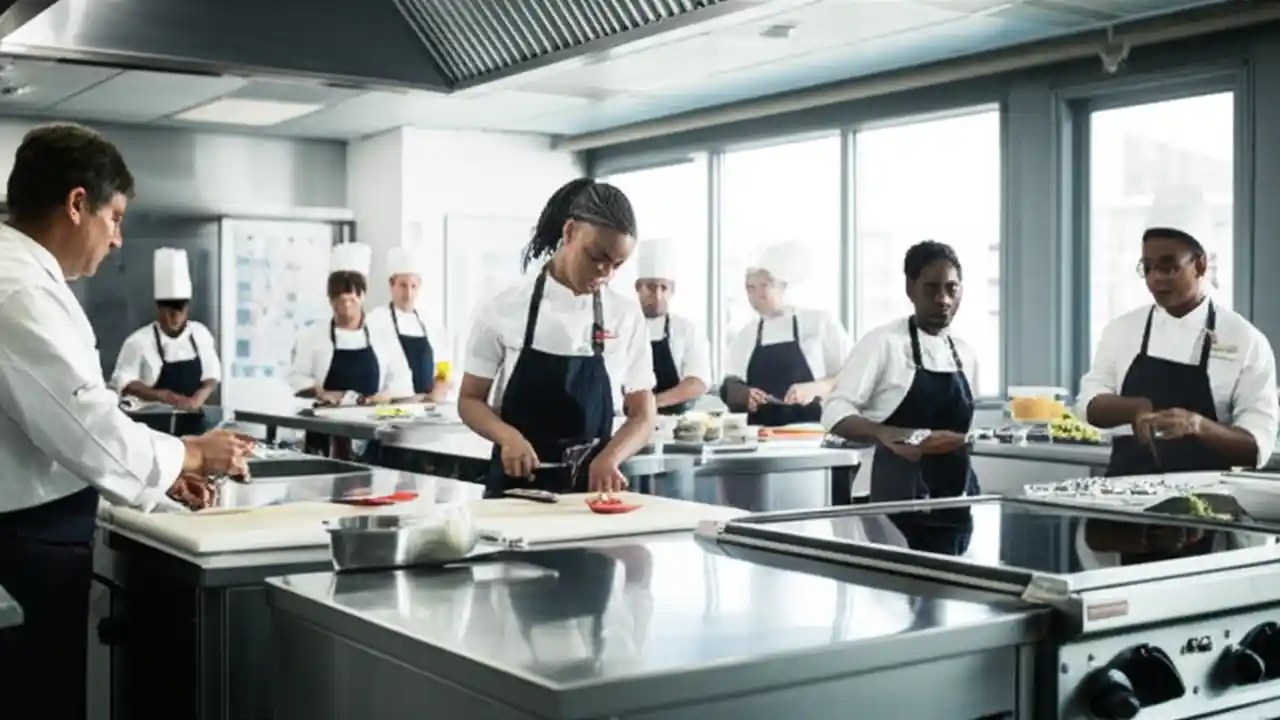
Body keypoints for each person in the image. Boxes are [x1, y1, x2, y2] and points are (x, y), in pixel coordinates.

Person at [0, 123, 249, 719]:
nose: (117, 240)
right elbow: (83, 421)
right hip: (23, 544)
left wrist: (158, 479)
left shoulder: (26, 274)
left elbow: (66, 422)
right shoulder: (18, 290)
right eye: (115, 218)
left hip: (41, 528)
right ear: (77, 204)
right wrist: (189, 455)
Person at [457, 178, 656, 497]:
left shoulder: (625, 315)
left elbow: (643, 415)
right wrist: (507, 437)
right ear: (570, 232)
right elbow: (469, 400)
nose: (605, 273)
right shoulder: (503, 307)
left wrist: (611, 457)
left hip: (591, 496)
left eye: (617, 264)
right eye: (596, 257)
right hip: (515, 492)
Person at [1078, 226, 1278, 476]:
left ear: (1201, 265)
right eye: (1148, 267)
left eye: (1167, 267)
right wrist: (1135, 409)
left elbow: (1256, 448)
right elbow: (1088, 404)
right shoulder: (1121, 330)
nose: (1155, 278)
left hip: (1205, 505)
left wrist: (1198, 426)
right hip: (1123, 498)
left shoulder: (1245, 340)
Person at [824, 241, 980, 502]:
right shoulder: (883, 343)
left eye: (951, 288)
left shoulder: (966, 354)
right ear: (911, 288)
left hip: (957, 499)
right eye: (931, 288)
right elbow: (833, 410)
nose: (943, 299)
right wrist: (882, 433)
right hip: (888, 495)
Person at [721, 241, 851, 426]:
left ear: (783, 286)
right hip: (760, 437)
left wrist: (816, 388)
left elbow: (851, 376)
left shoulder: (819, 322)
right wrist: (744, 395)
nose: (756, 294)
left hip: (811, 434)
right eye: (750, 287)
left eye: (763, 285)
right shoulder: (746, 334)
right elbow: (731, 384)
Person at [111, 247, 222, 435]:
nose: (176, 319)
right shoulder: (138, 341)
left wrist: (197, 400)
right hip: (151, 427)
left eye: (181, 311)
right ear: (159, 309)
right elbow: (125, 381)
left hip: (193, 425)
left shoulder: (200, 334)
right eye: (170, 312)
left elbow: (211, 376)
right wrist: (162, 396)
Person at [288, 242, 413, 406]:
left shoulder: (383, 334)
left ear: (363, 296)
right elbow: (296, 378)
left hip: (370, 424)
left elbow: (402, 380)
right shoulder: (312, 336)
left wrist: (384, 396)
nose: (346, 304)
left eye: (352, 298)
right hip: (325, 425)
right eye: (339, 297)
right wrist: (319, 392)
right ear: (330, 298)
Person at [633, 239, 710, 415]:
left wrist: (651, 404)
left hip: (676, 425)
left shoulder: (687, 329)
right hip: (629, 422)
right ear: (638, 287)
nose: (658, 295)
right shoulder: (625, 327)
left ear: (672, 290)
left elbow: (697, 382)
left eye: (664, 288)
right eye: (651, 287)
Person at [366, 246, 451, 403]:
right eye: (403, 285)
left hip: (427, 406)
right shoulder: (375, 320)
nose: (408, 293)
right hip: (390, 407)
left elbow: (444, 365)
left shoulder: (431, 322)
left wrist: (439, 389)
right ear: (391, 284)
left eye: (413, 286)